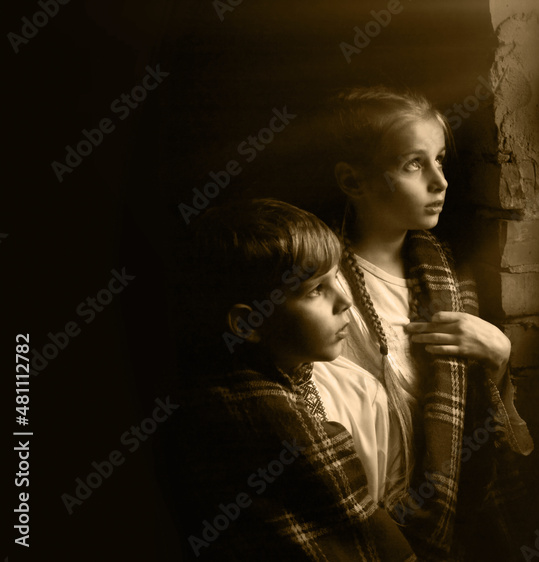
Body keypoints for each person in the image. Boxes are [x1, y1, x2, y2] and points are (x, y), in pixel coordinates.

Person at [309, 86, 533, 561]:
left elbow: (483, 422)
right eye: (414, 163)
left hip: (439, 522)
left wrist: (498, 358)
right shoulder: (315, 291)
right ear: (353, 180)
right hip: (352, 527)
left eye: (440, 160)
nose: (440, 181)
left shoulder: (448, 279)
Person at [161, 198, 417, 561]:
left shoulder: (359, 390)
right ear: (248, 324)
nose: (344, 300)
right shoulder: (255, 420)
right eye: (316, 290)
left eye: (338, 278)